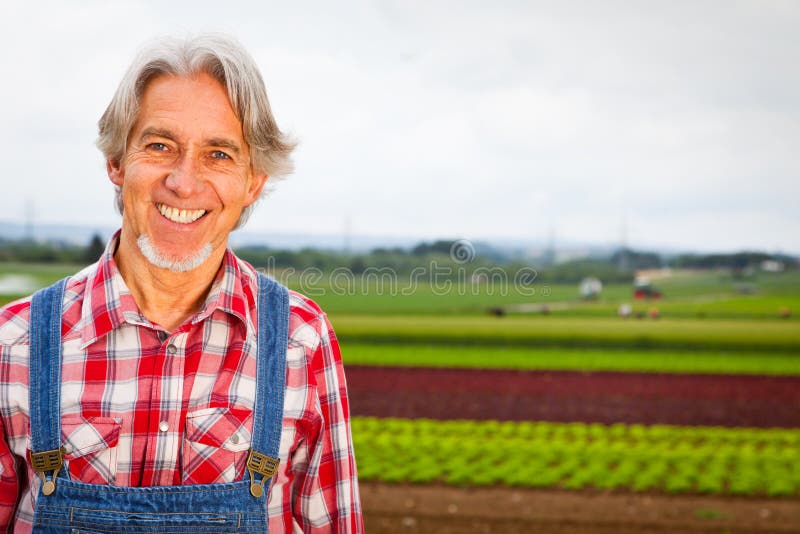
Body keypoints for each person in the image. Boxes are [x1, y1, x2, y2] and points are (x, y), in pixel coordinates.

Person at [0, 34, 363, 532]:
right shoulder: (15, 344)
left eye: (218, 154)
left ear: (253, 181)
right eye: (159, 145)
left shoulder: (300, 340)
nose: (184, 183)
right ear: (116, 162)